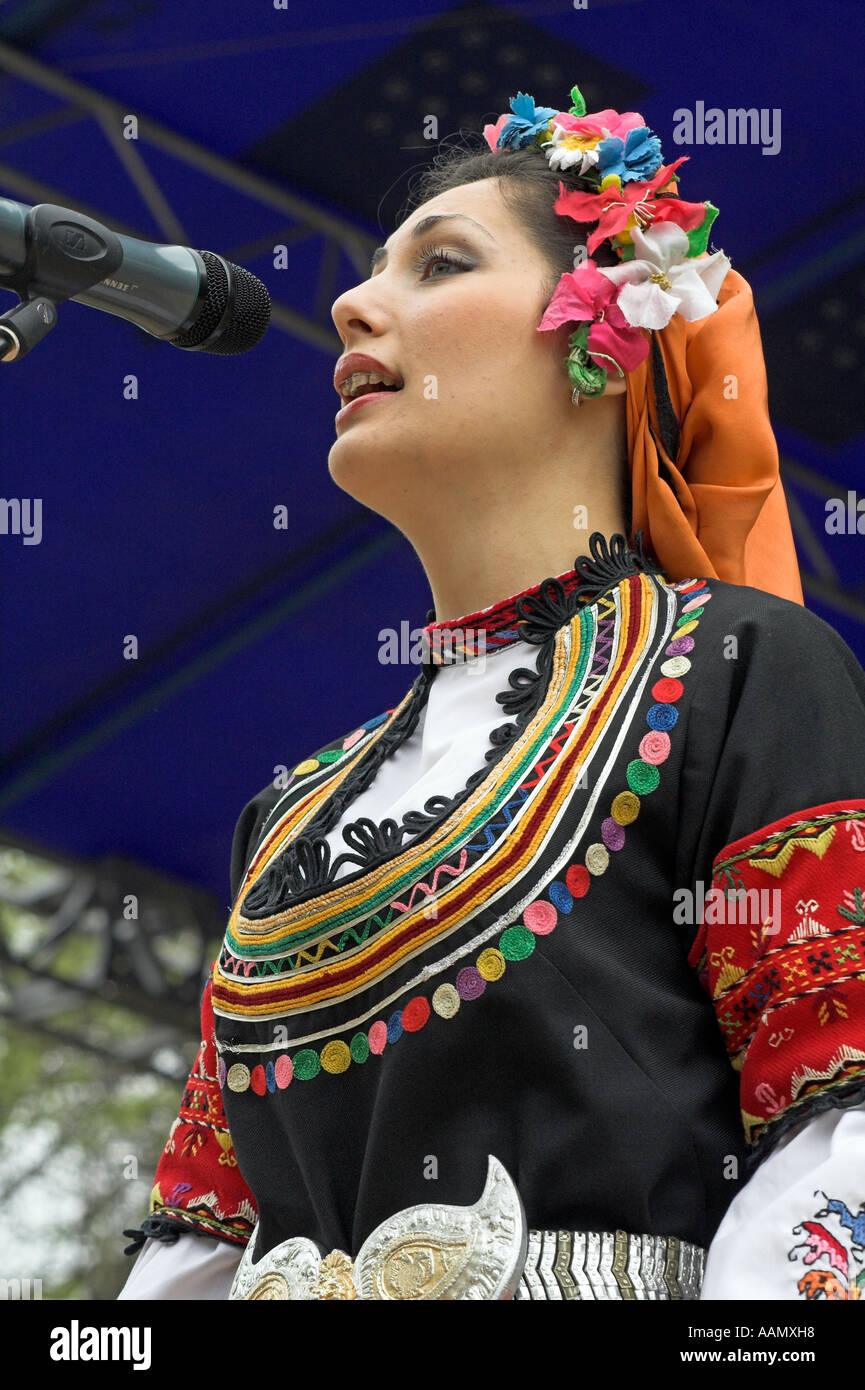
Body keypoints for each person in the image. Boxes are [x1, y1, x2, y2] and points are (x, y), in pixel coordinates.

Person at [119, 83, 865, 1301]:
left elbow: (840, 1135)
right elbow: (193, 1256)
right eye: (371, 276)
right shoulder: (292, 814)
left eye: (442, 264)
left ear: (608, 338)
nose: (354, 305)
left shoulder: (736, 667)